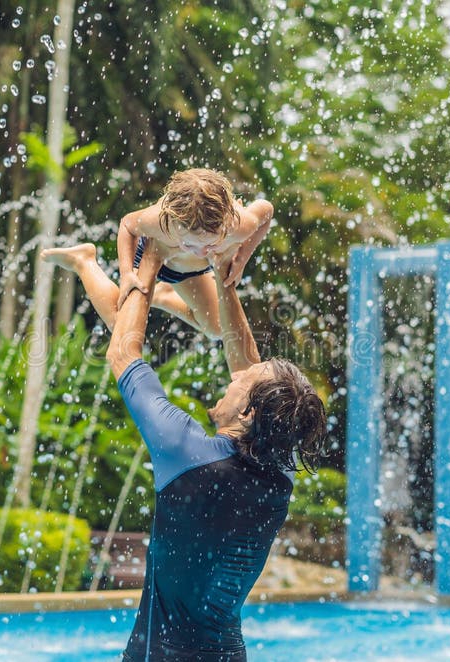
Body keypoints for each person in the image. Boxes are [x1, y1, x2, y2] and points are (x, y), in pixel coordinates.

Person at [102, 239, 329, 661]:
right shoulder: (277, 479)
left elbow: (122, 352)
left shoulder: (185, 450)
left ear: (247, 412)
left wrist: (146, 265)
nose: (231, 378)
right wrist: (224, 279)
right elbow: (250, 373)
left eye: (239, 383)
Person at [42, 168, 274, 339]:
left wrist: (241, 258)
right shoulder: (160, 221)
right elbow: (127, 225)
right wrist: (126, 275)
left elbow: (266, 210)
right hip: (154, 257)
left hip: (187, 272)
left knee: (217, 330)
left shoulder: (238, 224)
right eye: (189, 244)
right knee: (121, 327)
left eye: (212, 245)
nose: (203, 251)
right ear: (174, 223)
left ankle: (161, 295)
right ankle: (84, 261)